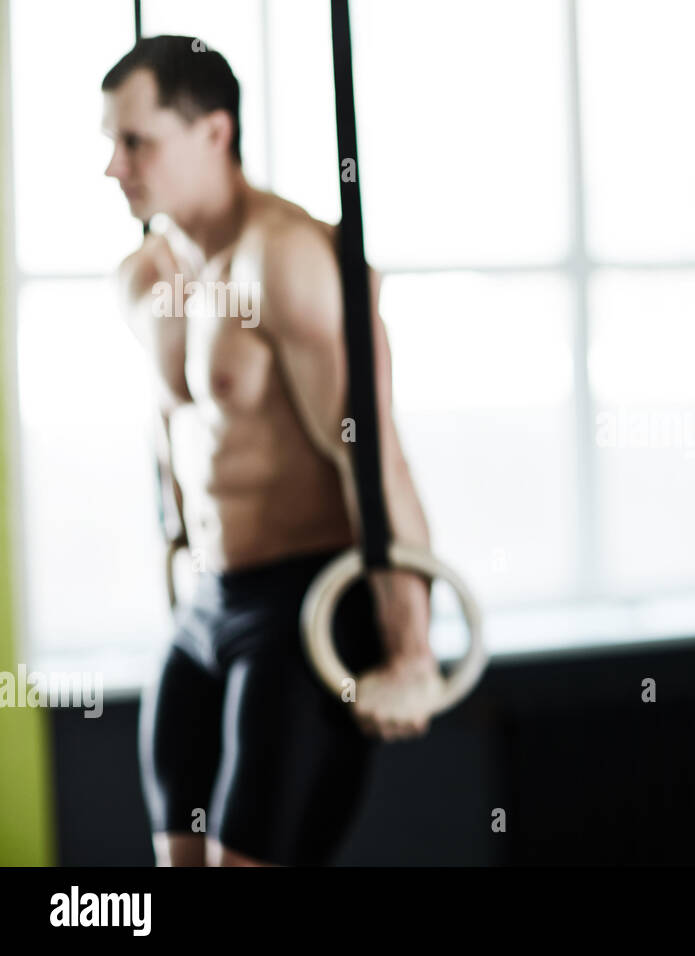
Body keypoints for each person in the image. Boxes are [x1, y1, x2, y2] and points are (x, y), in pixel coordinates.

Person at [102, 35, 443, 866]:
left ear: (215, 133)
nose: (114, 167)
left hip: (305, 609)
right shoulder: (147, 276)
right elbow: (172, 437)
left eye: (134, 141)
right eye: (110, 143)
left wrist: (412, 650)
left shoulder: (287, 260)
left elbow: (372, 455)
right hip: (206, 611)